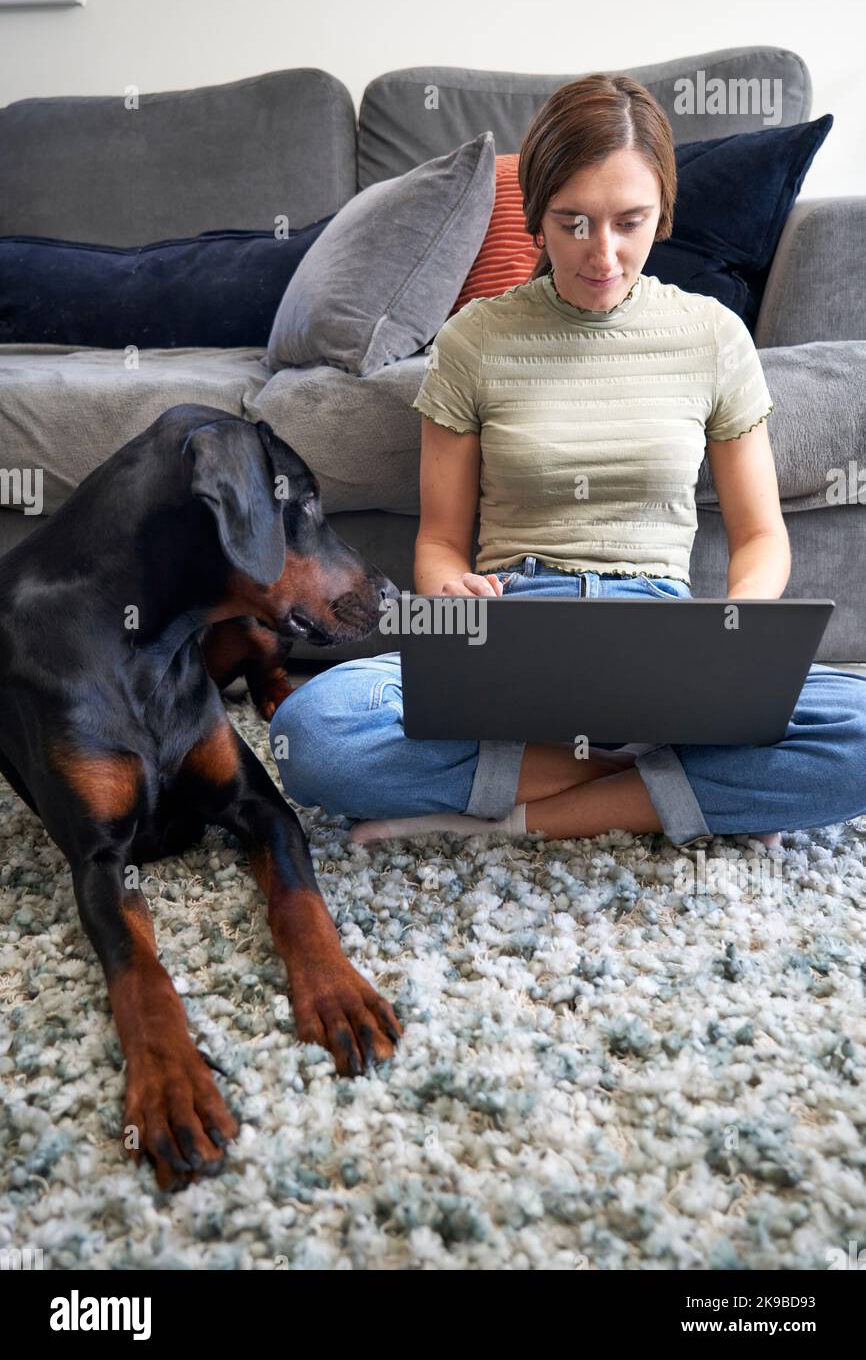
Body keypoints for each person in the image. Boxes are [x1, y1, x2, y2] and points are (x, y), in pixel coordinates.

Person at [267, 73, 866, 851]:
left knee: (856, 729)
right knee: (315, 731)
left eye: (631, 222)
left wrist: (735, 626)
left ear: (664, 214)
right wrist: (451, 589)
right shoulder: (475, 340)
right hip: (515, 622)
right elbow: (441, 540)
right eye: (574, 222)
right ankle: (676, 781)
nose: (603, 253)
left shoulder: (713, 336)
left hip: (664, 633)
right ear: (535, 214)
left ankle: (518, 815)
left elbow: (759, 535)